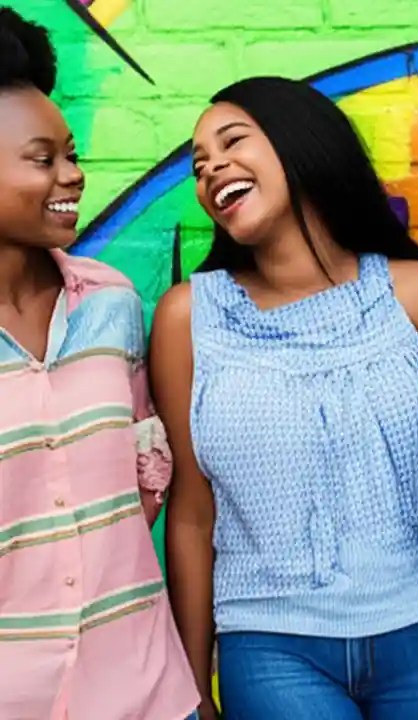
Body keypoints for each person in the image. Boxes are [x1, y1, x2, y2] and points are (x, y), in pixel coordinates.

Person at [151, 76, 418, 720]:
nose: (212, 167)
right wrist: (194, 687)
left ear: (300, 143)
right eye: (199, 163)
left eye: (233, 141)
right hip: (271, 649)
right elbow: (192, 513)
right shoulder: (188, 319)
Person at [0, 7, 199, 719]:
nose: (74, 176)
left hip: (147, 691)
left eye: (73, 154)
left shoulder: (112, 304)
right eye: (44, 159)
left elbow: (144, 479)